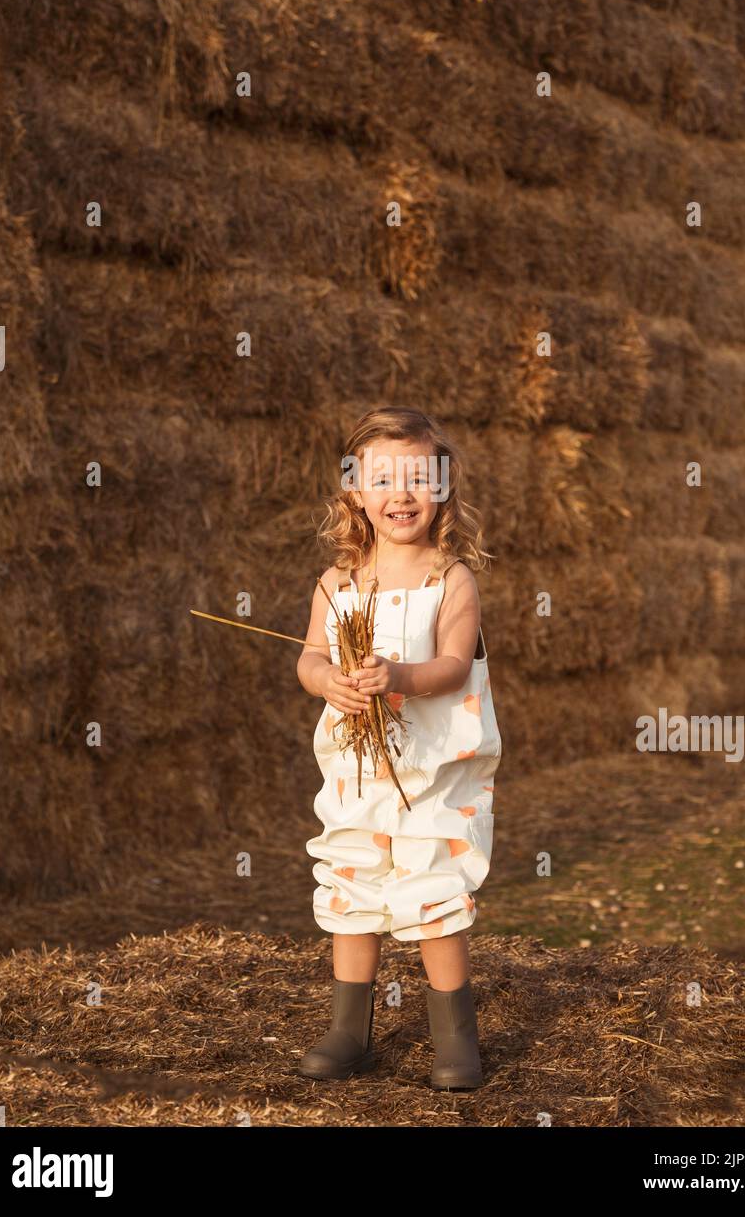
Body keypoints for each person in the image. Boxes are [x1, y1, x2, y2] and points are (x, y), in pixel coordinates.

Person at [296, 406, 502, 1089]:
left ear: (442, 486)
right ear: (355, 491)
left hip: (430, 769)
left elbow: (454, 663)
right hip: (358, 772)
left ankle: (455, 1040)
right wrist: (330, 680)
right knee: (353, 883)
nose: (402, 494)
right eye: (383, 479)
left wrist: (401, 678)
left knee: (432, 889)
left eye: (418, 477)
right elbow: (310, 659)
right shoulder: (338, 582)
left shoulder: (451, 579)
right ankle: (348, 1031)